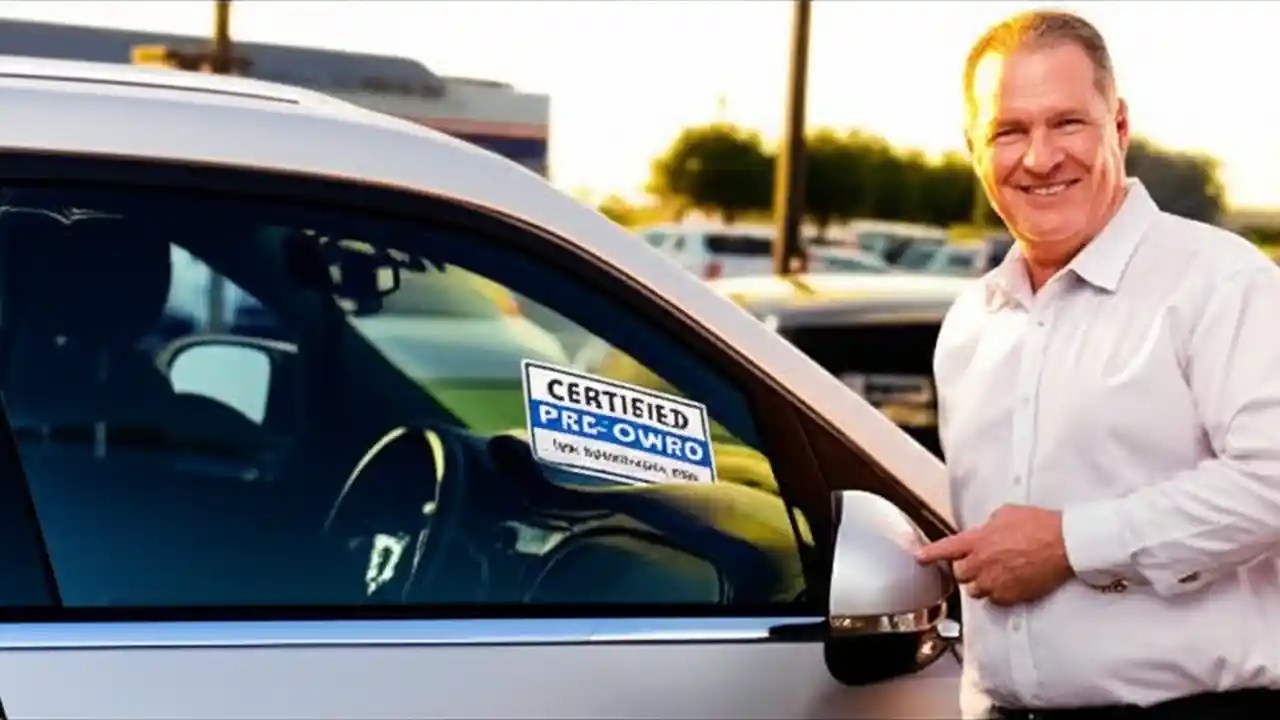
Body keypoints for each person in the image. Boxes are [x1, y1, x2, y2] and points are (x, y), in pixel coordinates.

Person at [916, 8, 1280, 719]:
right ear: (973, 148)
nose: (1041, 157)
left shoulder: (1218, 281)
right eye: (1008, 131)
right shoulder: (969, 327)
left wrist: (1071, 543)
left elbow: (1274, 480)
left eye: (1067, 123)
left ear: (1118, 127)